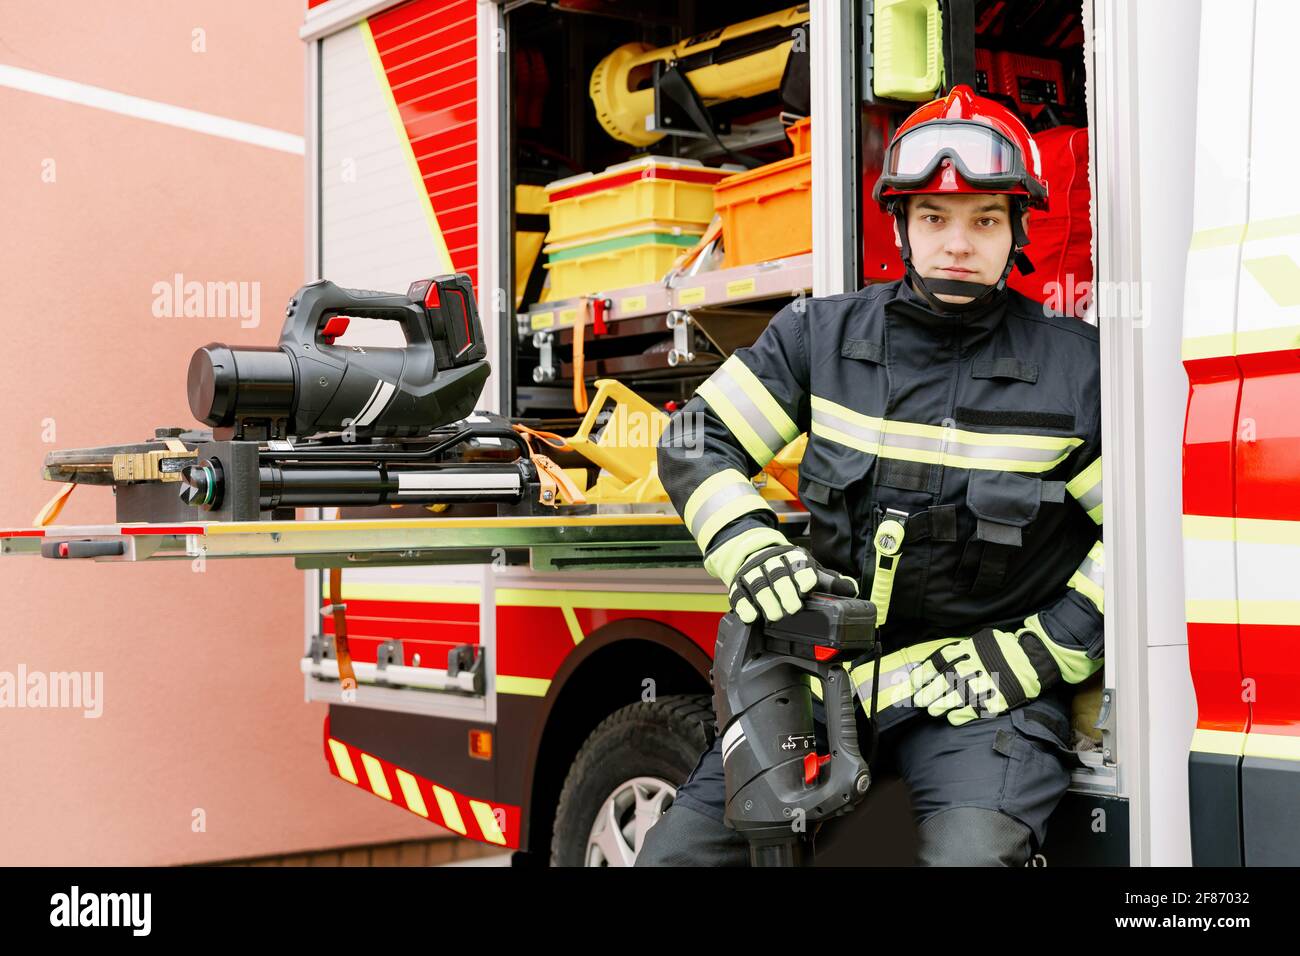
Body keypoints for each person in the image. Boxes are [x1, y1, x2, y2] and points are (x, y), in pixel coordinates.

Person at [637, 85, 1104, 866]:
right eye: (935, 219)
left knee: (971, 860)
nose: (959, 243)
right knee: (675, 859)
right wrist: (749, 549)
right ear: (900, 226)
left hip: (980, 702)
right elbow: (695, 438)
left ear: (1019, 228)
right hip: (817, 685)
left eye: (985, 220)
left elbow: (1150, 536)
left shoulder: (1077, 371)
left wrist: (1040, 652)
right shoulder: (819, 336)